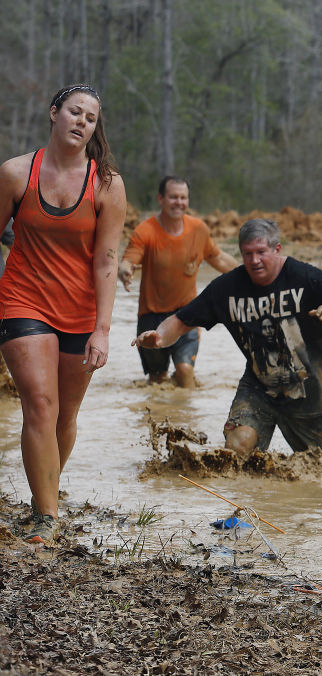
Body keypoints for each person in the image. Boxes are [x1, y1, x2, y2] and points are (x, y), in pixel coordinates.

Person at [0, 84, 127, 543]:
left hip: (80, 309)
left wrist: (103, 331)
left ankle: (41, 501)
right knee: (39, 401)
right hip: (23, 300)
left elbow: (107, 260)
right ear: (54, 113)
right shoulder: (16, 174)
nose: (81, 122)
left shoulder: (107, 184)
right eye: (75, 112)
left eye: (90, 118)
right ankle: (48, 520)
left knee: (64, 415)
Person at [134, 218, 322, 456]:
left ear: (276, 249)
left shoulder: (305, 277)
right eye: (247, 254)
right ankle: (247, 494)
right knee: (238, 447)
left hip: (309, 394)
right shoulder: (228, 288)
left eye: (261, 252)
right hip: (259, 390)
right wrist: (159, 337)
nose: (254, 261)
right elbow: (180, 321)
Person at [119, 176, 237, 387]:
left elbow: (218, 258)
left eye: (183, 198)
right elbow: (128, 260)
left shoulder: (198, 229)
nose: (179, 202)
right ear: (160, 199)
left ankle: (187, 417)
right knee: (157, 380)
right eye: (173, 197)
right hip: (151, 316)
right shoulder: (145, 231)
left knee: (185, 373)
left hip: (186, 314)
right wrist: (124, 271)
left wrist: (248, 274)